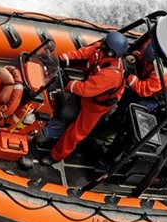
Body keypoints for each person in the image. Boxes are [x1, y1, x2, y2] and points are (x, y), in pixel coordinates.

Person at [40, 32, 127, 166]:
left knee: (75, 133)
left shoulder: (110, 75)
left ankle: (55, 157)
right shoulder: (101, 49)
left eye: (104, 44)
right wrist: (60, 60)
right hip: (88, 89)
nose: (100, 44)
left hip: (95, 106)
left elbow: (85, 89)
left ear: (110, 53)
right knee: (57, 96)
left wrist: (68, 82)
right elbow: (82, 54)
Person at [125, 41, 167, 111]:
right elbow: (142, 53)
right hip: (145, 80)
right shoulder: (151, 52)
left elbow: (143, 89)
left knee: (136, 109)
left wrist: (127, 76)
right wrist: (135, 57)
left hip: (152, 97)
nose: (146, 61)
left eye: (148, 62)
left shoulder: (163, 76)